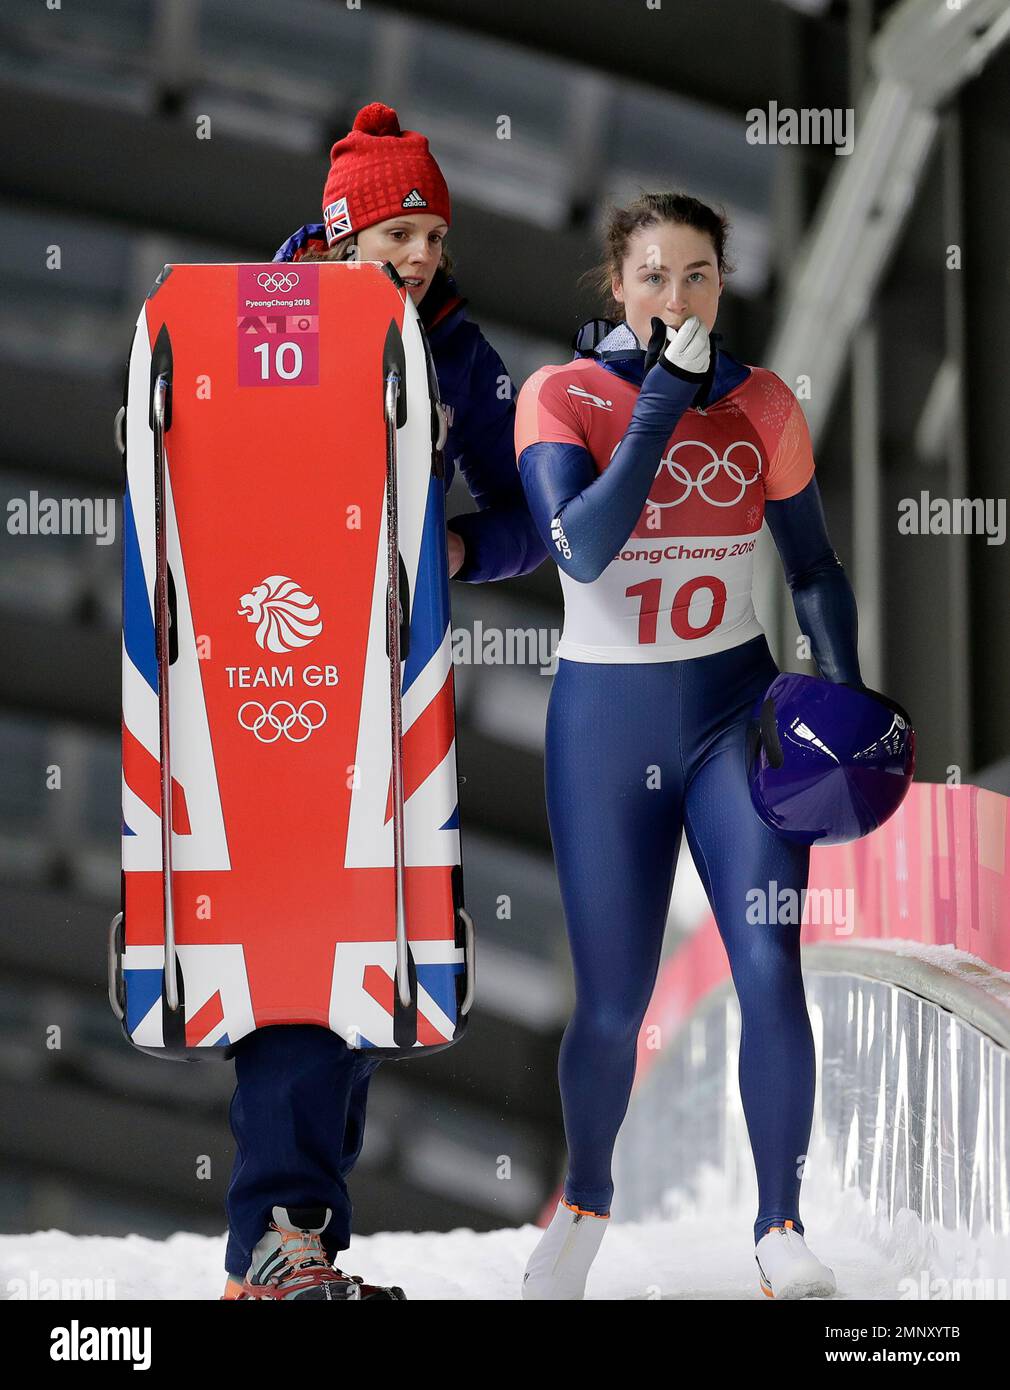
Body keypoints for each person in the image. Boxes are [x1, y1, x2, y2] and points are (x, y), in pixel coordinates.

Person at [221, 102, 546, 1301]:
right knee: (298, 949)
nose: (420, 258)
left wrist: (460, 552)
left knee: (372, 951)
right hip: (265, 688)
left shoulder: (455, 350)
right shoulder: (253, 325)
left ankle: (301, 1241)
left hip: (390, 688)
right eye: (398, 233)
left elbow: (532, 515)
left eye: (433, 237)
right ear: (342, 230)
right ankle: (273, 1238)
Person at [515, 192, 860, 1300]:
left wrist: (844, 696)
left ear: (721, 284)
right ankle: (587, 1191)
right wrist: (660, 406)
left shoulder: (761, 401)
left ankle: (778, 1228)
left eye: (698, 275)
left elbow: (810, 567)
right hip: (604, 728)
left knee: (767, 958)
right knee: (613, 1002)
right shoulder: (559, 396)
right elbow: (579, 547)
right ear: (616, 287)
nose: (677, 297)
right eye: (655, 276)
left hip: (733, 717)